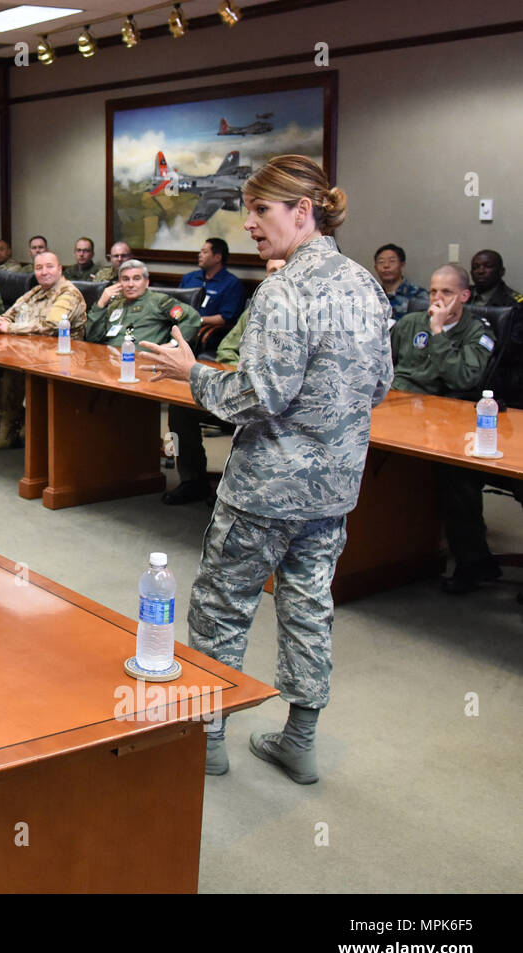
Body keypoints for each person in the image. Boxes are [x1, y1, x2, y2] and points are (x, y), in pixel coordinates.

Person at [138, 154, 393, 786]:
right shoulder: (364, 284)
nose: (248, 223)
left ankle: (208, 740)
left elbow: (258, 397)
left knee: (223, 606)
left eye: (260, 210)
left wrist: (190, 374)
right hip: (332, 488)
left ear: (302, 212)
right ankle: (299, 739)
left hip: (266, 489)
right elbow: (381, 385)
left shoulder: (282, 291)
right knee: (309, 605)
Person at [389, 264, 511, 593]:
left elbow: (463, 379)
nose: (437, 299)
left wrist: (439, 332)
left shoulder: (478, 332)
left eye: (446, 292)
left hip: (446, 420)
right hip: (397, 411)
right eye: (432, 292)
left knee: (455, 475)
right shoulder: (410, 324)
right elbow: (385, 367)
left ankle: (471, 561)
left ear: (465, 296)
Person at [164, 258, 286, 506]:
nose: (276, 276)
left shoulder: (297, 315)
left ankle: (239, 490)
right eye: (271, 271)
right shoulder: (254, 311)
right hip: (239, 389)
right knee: (181, 407)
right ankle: (193, 480)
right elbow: (227, 349)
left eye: (282, 270)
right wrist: (241, 372)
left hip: (272, 401)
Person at [0, 250, 87, 449]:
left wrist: (11, 327)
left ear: (60, 269)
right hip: (28, 353)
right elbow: (9, 314)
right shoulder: (36, 292)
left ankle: (16, 422)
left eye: (49, 267)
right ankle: (16, 417)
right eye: (39, 268)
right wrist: (3, 321)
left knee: (14, 375)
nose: (44, 272)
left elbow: (51, 325)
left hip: (61, 361)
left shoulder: (69, 293)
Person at [85, 259, 202, 348]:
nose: (130, 284)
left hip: (141, 361)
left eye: (136, 279)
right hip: (108, 360)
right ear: (119, 282)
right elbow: (92, 338)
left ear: (146, 282)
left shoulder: (159, 301)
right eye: (125, 279)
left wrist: (173, 344)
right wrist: (101, 304)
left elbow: (192, 318)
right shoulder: (115, 304)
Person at [179, 237, 247, 350]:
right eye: (200, 251)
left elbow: (225, 318)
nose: (199, 255)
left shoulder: (231, 283)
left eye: (205, 252)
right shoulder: (189, 278)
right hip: (180, 325)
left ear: (217, 257)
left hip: (207, 332)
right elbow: (176, 305)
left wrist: (197, 320)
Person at [373, 243, 428, 319]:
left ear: (402, 265)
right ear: (376, 268)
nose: (386, 266)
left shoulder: (417, 294)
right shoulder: (372, 295)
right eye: (381, 262)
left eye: (392, 261)